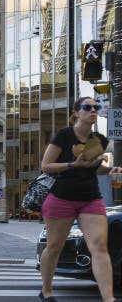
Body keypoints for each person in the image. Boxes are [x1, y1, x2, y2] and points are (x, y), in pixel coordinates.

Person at [37, 97, 122, 302]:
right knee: (54, 247)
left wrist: (110, 170)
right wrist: (72, 165)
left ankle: (108, 298)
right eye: (87, 107)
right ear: (76, 113)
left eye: (96, 107)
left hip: (90, 199)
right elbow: (46, 166)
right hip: (61, 197)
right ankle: (46, 290)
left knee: (99, 246)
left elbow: (93, 167)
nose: (93, 110)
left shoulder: (100, 140)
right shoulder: (64, 136)